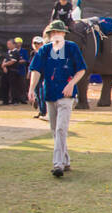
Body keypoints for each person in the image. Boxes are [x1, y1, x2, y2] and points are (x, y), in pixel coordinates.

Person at [27, 20, 87, 177]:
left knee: (61, 128)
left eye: (58, 33)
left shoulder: (72, 48)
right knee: (55, 130)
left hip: (66, 95)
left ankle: (58, 164)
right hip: (50, 94)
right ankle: (65, 160)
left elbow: (81, 70)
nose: (55, 35)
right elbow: (36, 70)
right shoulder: (45, 50)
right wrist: (32, 88)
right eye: (53, 33)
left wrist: (71, 84)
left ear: (64, 34)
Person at [29, 36, 47, 117]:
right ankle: (41, 111)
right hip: (36, 76)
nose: (36, 45)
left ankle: (44, 111)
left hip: (43, 75)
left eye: (38, 43)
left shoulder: (45, 52)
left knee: (42, 93)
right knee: (37, 93)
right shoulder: (33, 53)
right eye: (35, 43)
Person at [0, 40, 20, 105]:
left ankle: (15, 101)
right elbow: (4, 60)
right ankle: (5, 101)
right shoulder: (8, 52)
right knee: (4, 86)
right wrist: (4, 67)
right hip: (6, 72)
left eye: (9, 44)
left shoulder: (15, 52)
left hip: (13, 71)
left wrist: (4, 65)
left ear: (13, 44)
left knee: (13, 86)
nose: (8, 45)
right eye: (7, 44)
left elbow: (12, 61)